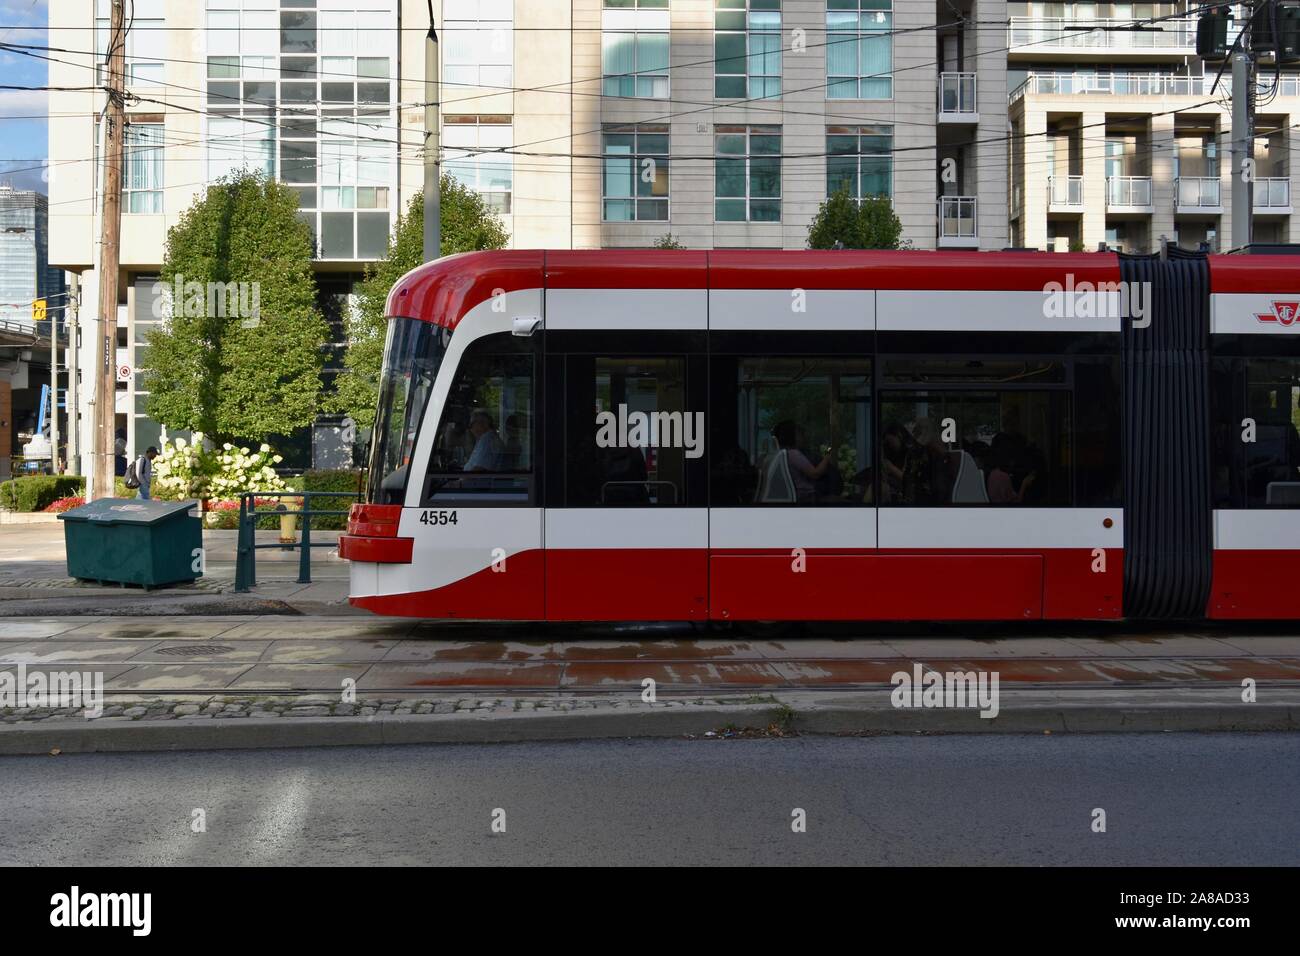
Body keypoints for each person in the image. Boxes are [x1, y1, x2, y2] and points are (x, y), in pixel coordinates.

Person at [772, 420, 837, 504]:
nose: (803, 437)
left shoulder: (781, 453)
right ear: (791, 436)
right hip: (806, 497)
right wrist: (828, 455)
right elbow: (815, 473)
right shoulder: (794, 454)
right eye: (800, 434)